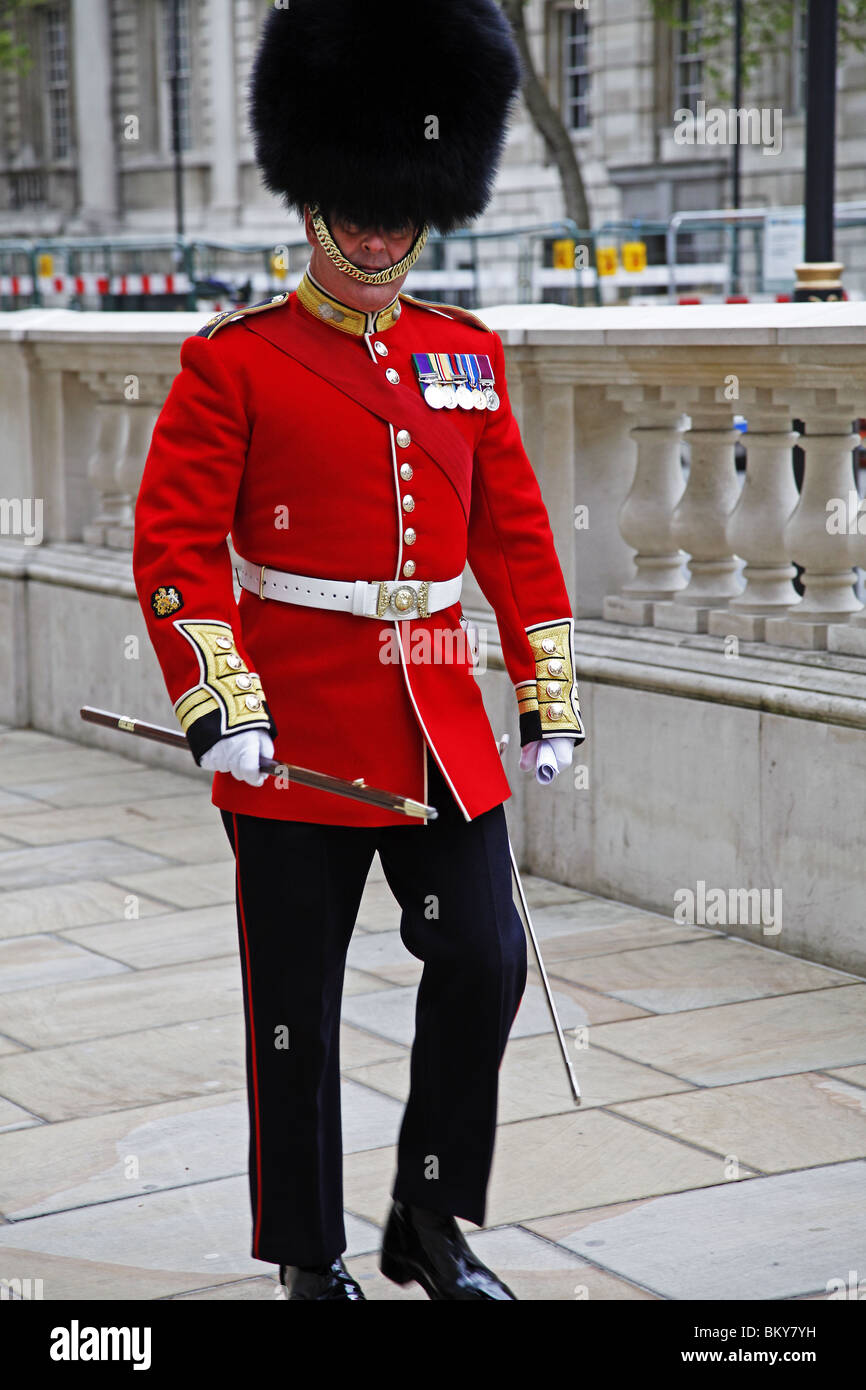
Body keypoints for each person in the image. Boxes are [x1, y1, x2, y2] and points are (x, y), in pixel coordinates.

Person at [132, 0, 585, 1301]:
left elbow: (516, 545)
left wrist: (548, 698)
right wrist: (224, 703)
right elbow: (175, 557)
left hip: (439, 725)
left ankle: (429, 1226)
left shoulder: (464, 357)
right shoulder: (234, 363)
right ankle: (309, 1256)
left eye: (399, 207)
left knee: (485, 961)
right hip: (294, 738)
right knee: (297, 1006)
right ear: (314, 201)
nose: (380, 230)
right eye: (359, 204)